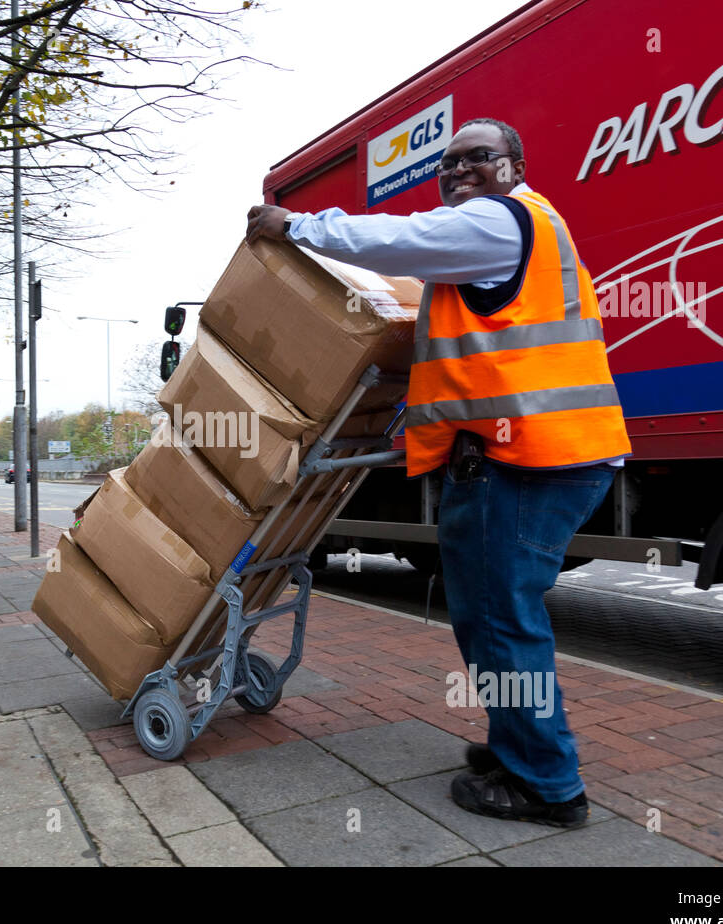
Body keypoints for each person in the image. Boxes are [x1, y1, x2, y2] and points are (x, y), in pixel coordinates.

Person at [246, 118, 631, 828]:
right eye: (447, 165)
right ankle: (520, 746)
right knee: (499, 619)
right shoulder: (534, 226)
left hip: (523, 461)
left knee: (500, 622)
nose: (457, 173)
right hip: (555, 453)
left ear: (514, 164)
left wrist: (293, 224)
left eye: (477, 158)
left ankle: (546, 784)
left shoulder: (496, 222)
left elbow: (395, 239)